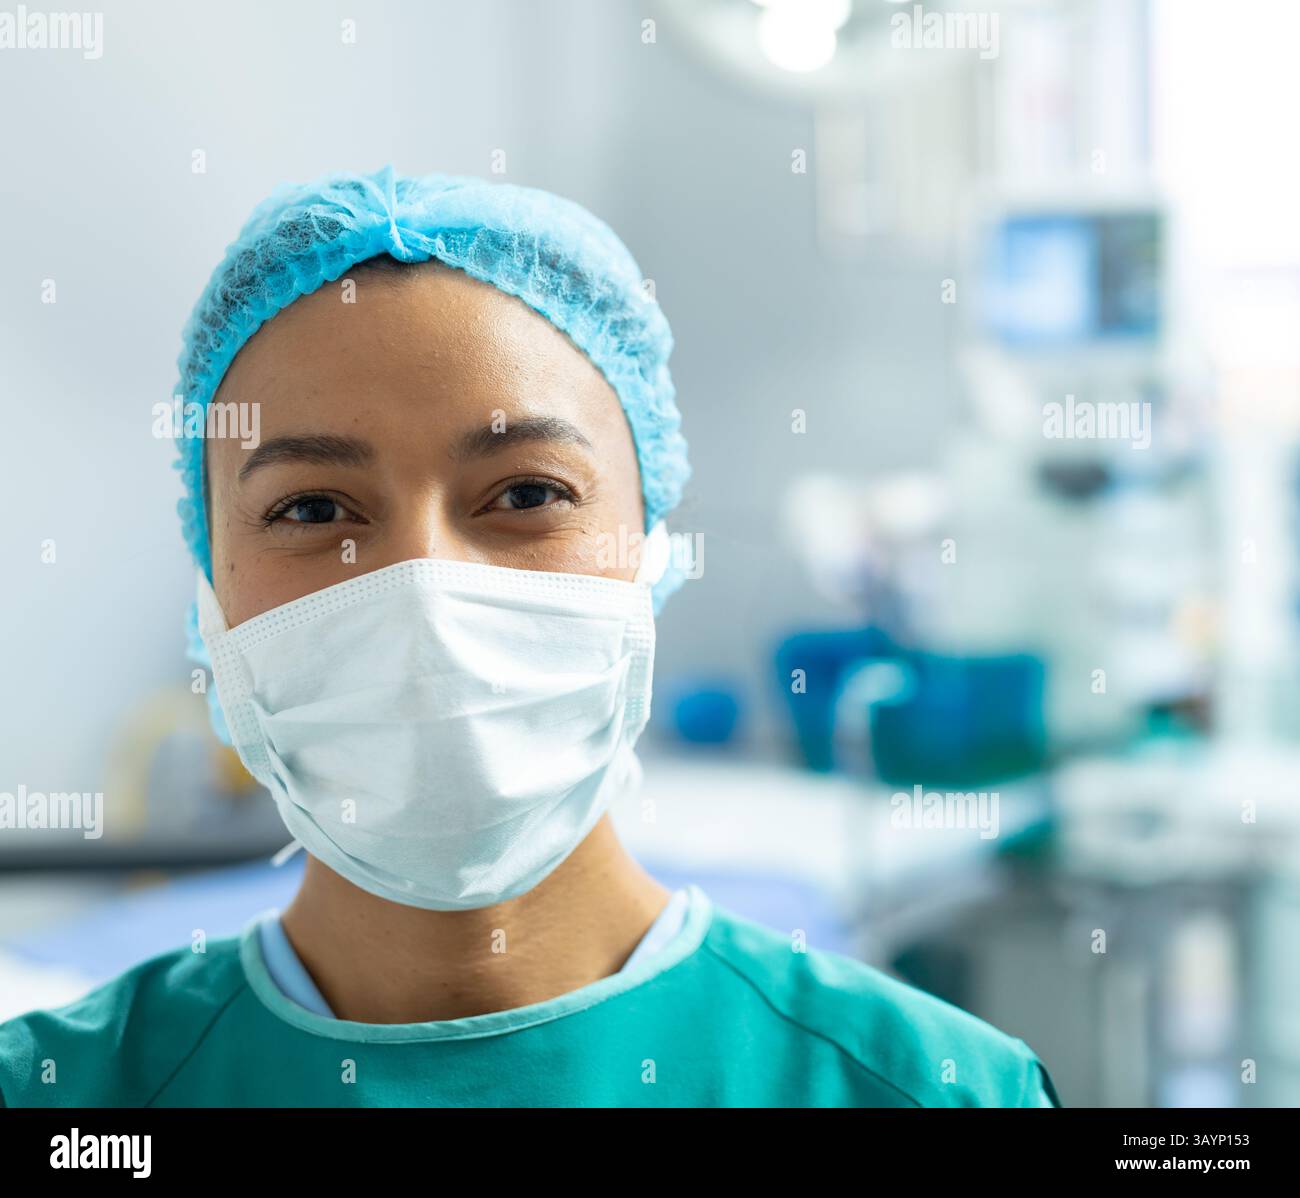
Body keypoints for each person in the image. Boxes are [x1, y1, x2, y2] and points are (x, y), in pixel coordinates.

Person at [0, 166, 1061, 1108]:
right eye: (314, 511)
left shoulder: (927, 1088)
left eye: (525, 491)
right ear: (210, 600)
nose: (426, 590)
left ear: (651, 551)